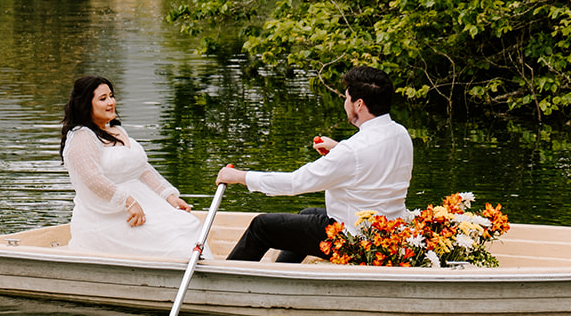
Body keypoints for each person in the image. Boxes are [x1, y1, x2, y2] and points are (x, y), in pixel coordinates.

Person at [216, 66, 412, 262]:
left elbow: (296, 182)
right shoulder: (400, 134)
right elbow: (373, 160)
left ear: (359, 104)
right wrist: (336, 149)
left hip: (353, 241)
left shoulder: (351, 151)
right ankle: (284, 274)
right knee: (307, 214)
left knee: (262, 226)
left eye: (346, 99)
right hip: (388, 233)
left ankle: (224, 282)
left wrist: (240, 177)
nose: (345, 104)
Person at [61, 75, 201, 257]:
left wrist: (169, 196)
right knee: (175, 240)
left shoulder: (117, 131)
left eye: (111, 96)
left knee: (188, 224)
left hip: (142, 204)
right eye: (103, 99)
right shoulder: (82, 136)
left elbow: (141, 169)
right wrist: (129, 202)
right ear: (86, 104)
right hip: (108, 216)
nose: (111, 102)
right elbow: (92, 179)